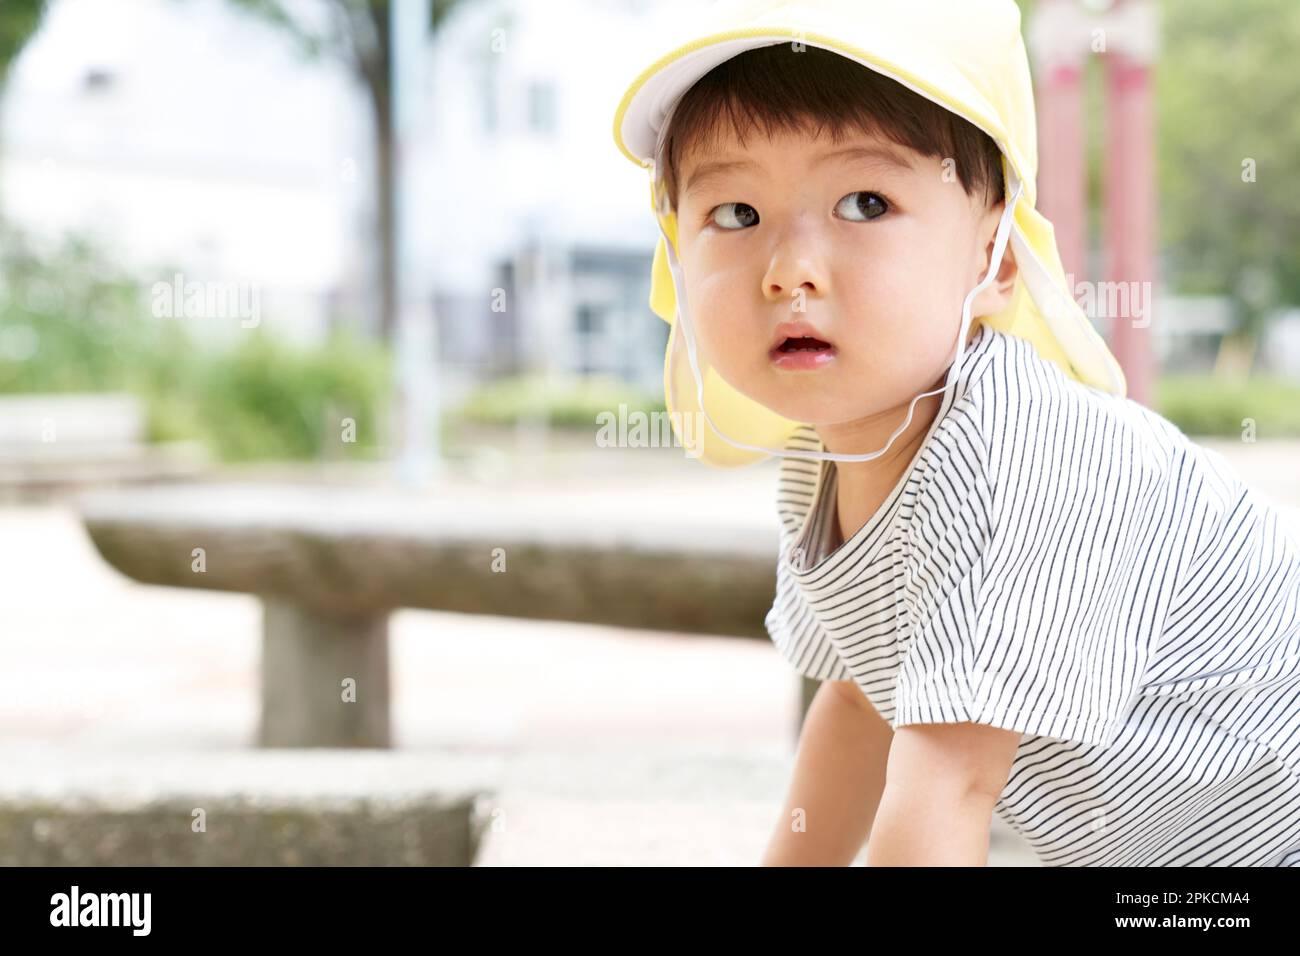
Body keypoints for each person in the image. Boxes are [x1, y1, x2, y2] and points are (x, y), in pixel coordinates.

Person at [611, 0, 1300, 866]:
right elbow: (864, 701)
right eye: (737, 214)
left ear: (994, 259)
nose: (790, 271)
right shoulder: (830, 450)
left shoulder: (1020, 464)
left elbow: (947, 789)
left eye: (865, 202)